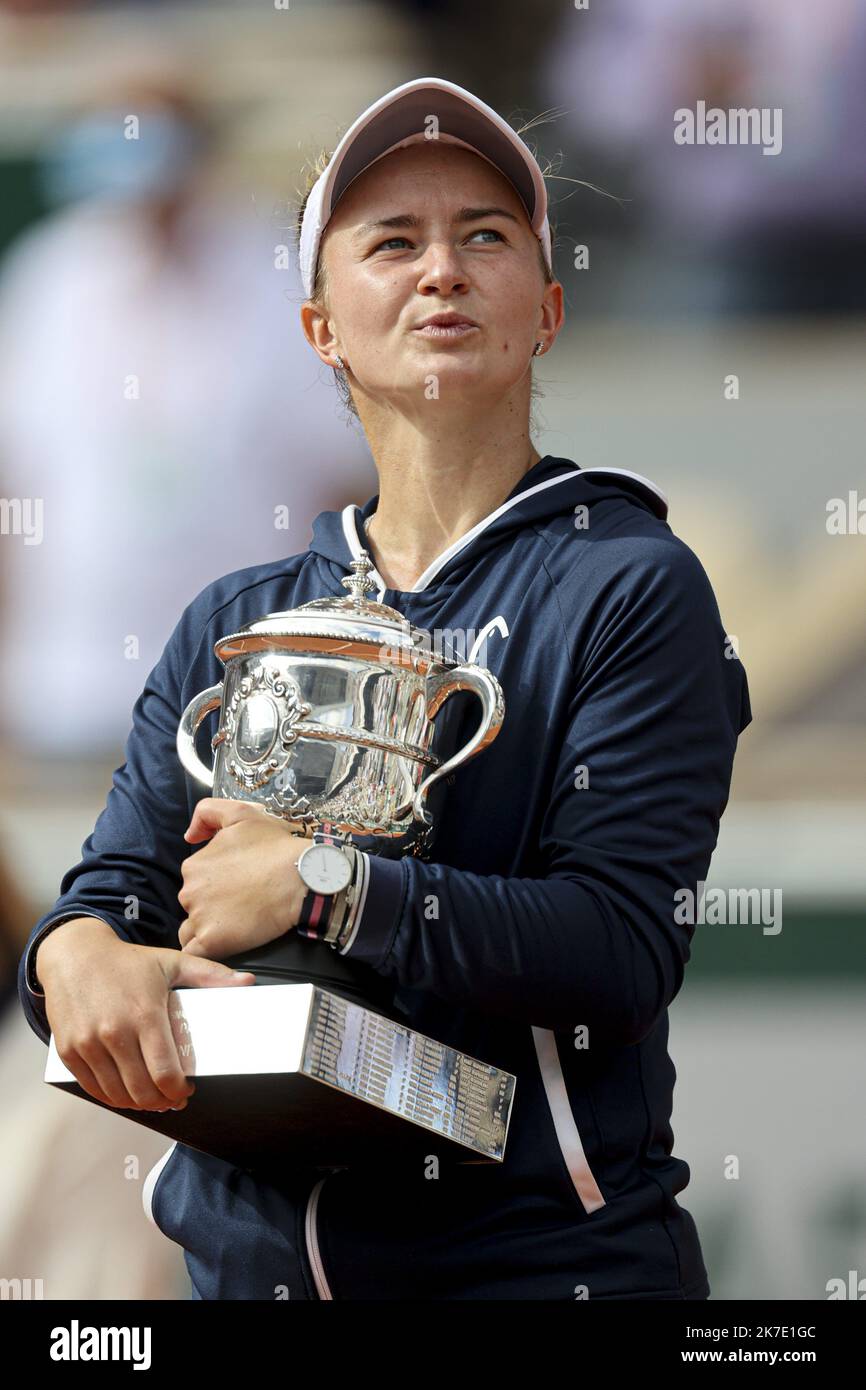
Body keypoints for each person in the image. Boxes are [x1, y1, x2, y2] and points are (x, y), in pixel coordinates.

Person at [18, 76, 752, 1301]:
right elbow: (109, 898)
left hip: (538, 1274)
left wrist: (327, 890)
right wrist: (74, 959)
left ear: (546, 307)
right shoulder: (234, 618)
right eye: (392, 242)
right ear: (318, 328)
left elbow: (619, 948)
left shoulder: (631, 584)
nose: (441, 271)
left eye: (483, 235)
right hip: (245, 1277)